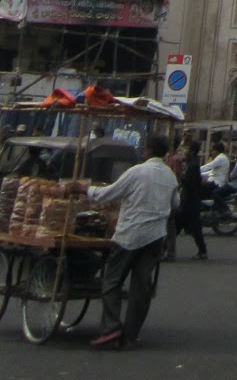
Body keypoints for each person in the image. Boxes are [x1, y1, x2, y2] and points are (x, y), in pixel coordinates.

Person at [84, 130, 179, 348]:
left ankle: (111, 327)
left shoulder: (137, 172)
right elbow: (176, 203)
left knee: (112, 281)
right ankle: (130, 334)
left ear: (148, 150)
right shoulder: (170, 176)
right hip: (156, 236)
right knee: (141, 287)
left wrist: (85, 189)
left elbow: (107, 194)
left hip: (130, 234)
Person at [176, 139, 207, 259]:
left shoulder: (193, 166)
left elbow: (191, 184)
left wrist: (181, 178)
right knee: (191, 228)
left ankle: (165, 249)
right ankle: (202, 251)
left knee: (181, 226)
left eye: (187, 149)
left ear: (192, 151)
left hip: (190, 201)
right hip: (190, 201)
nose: (185, 151)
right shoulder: (192, 164)